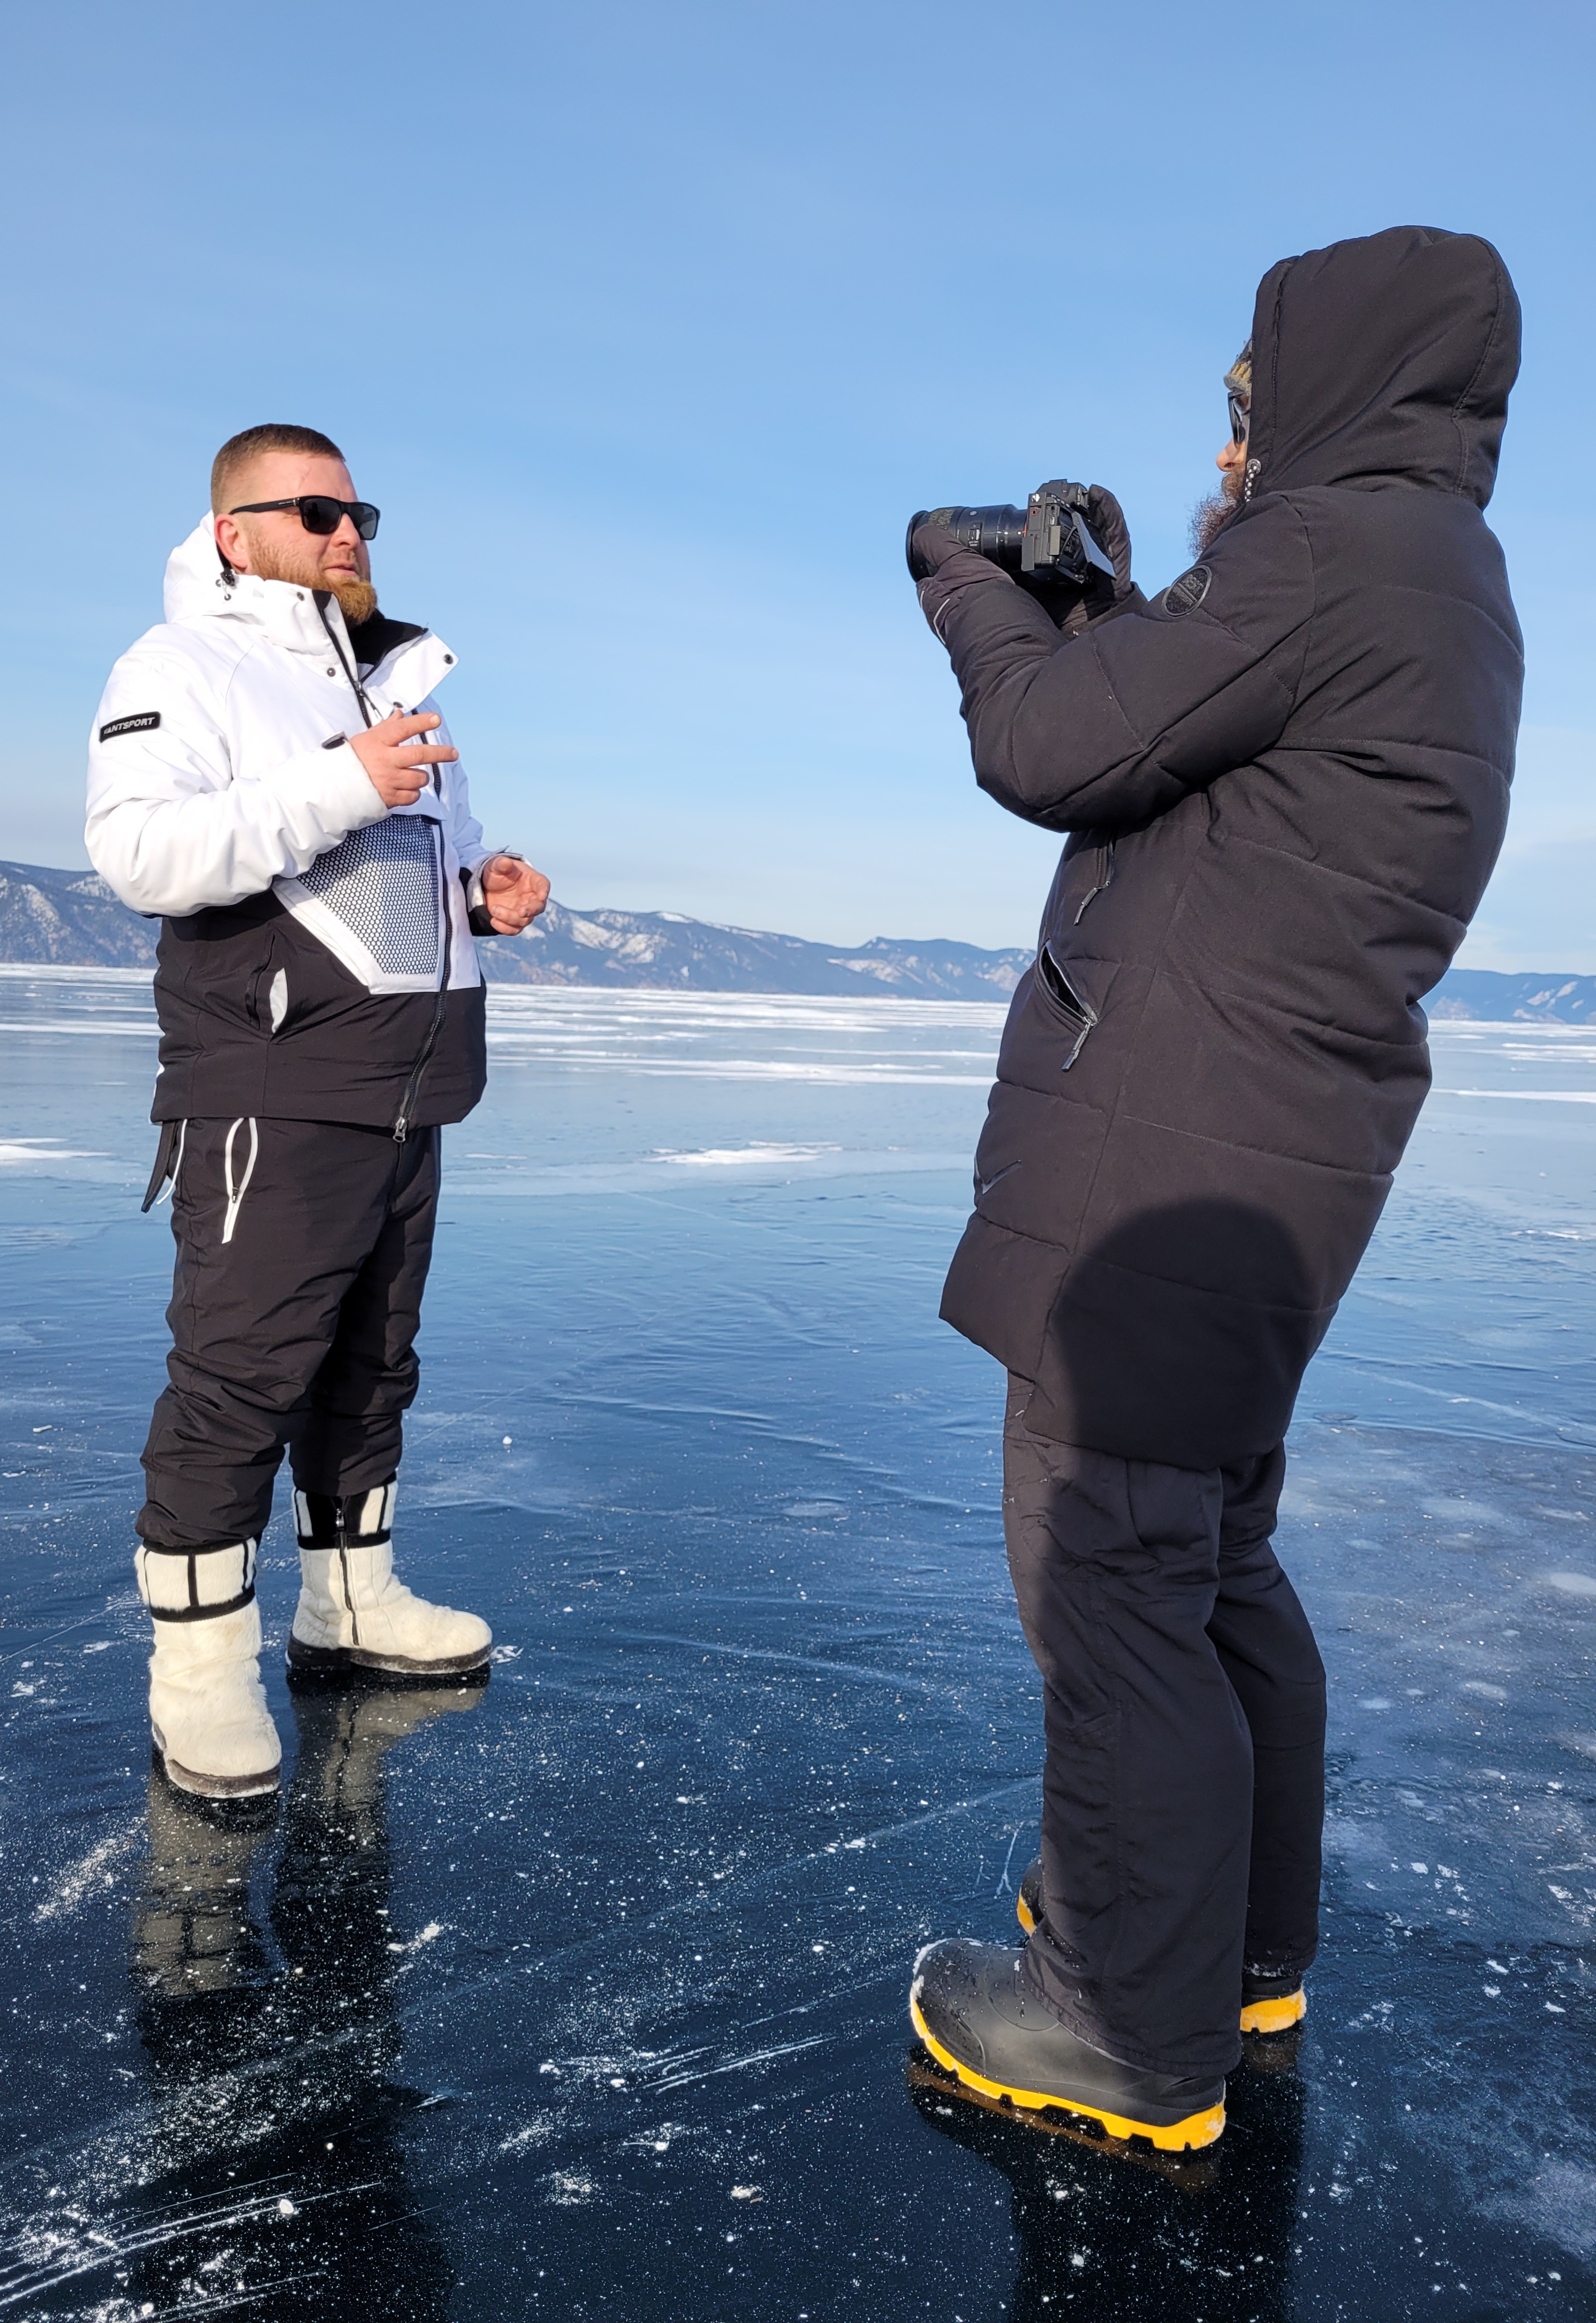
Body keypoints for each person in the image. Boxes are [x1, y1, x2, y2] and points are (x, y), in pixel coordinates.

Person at [904, 228, 1523, 2151]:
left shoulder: (1333, 550)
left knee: (1107, 1579)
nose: (1232, 442)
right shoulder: (1434, 572)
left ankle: (1121, 2029)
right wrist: (1103, 613)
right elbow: (1174, 770)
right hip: (1264, 1134)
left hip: (1168, 1141)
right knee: (1204, 1557)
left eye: (1246, 404)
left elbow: (1049, 751)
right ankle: (1226, 1952)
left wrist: (969, 575)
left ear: (1326, 385)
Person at [86, 423, 550, 1800]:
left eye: (362, 514)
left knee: (371, 1365)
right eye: (316, 512)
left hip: (406, 1087)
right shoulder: (181, 667)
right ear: (237, 532)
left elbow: (384, 874)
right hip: (273, 1091)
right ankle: (200, 1676)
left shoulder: (391, 671)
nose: (350, 535)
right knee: (238, 1383)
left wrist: (484, 894)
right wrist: (347, 779)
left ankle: (350, 1601)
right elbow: (141, 853)